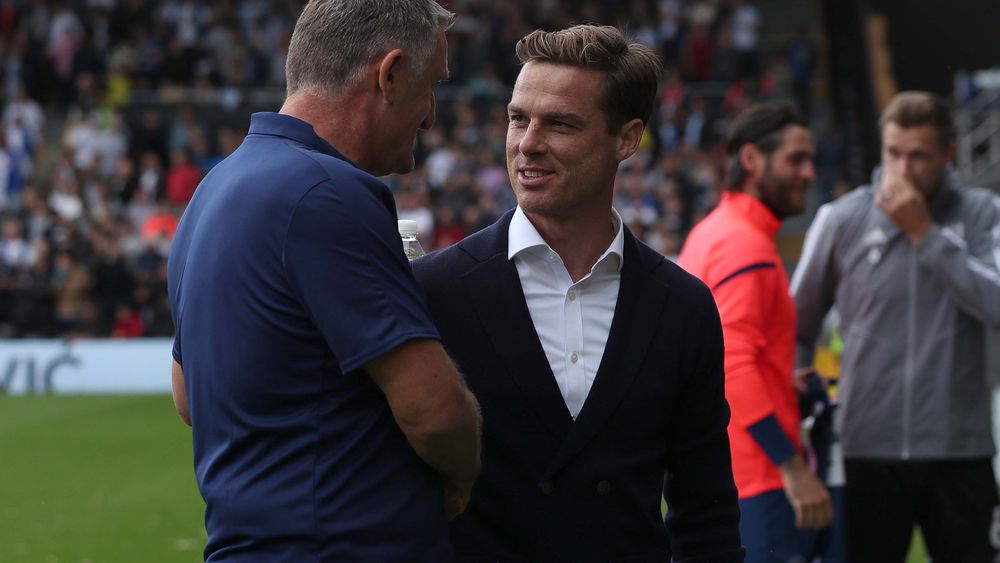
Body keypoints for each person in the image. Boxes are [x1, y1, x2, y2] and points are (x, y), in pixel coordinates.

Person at [412, 25, 743, 562]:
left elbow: (706, 512)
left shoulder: (682, 306)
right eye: (518, 118)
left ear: (627, 139)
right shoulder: (436, 291)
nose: (528, 143)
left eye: (560, 124)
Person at [166, 1, 481, 560]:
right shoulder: (327, 193)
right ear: (388, 75)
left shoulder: (213, 192)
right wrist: (460, 476)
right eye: (432, 85)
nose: (432, 114)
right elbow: (436, 414)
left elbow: (189, 398)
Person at [792, 90, 1000, 562]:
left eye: (919, 156)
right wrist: (798, 392)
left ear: (948, 155)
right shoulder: (841, 218)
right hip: (868, 449)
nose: (903, 170)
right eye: (893, 154)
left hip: (960, 450)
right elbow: (795, 324)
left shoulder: (984, 214)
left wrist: (926, 234)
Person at [678, 102, 835, 563]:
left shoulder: (712, 232)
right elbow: (733, 362)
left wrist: (781, 383)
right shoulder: (744, 246)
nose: (808, 173)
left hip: (725, 475)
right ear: (751, 160)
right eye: (794, 159)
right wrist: (793, 469)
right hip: (758, 480)